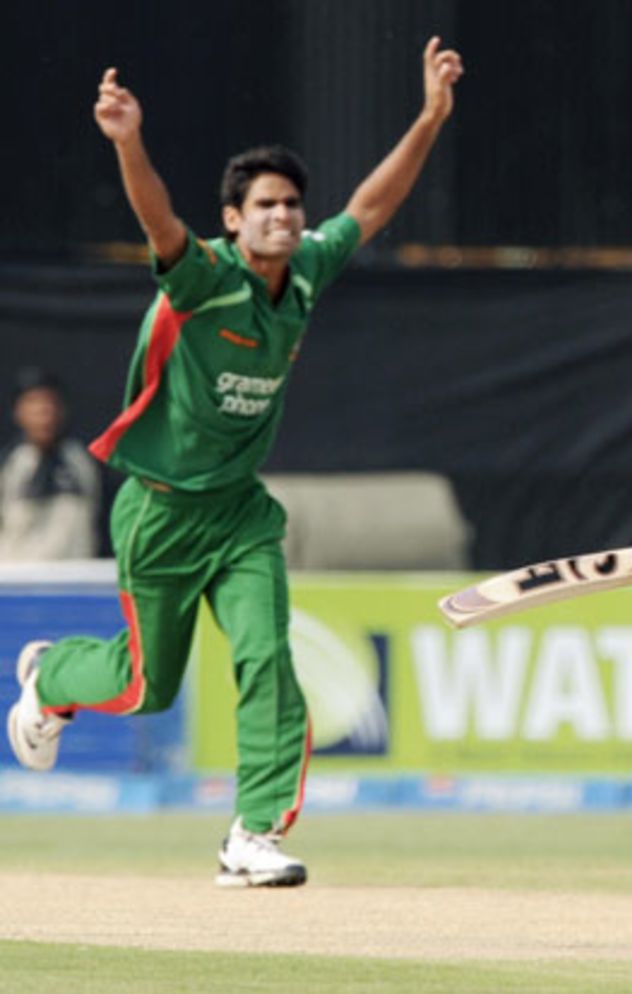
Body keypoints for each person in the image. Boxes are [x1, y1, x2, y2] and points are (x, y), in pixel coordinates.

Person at [6, 38, 463, 887]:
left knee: (267, 661)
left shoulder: (308, 270)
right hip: (161, 510)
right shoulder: (202, 280)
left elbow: (370, 205)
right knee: (145, 686)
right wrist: (128, 142)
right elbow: (157, 222)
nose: (283, 216)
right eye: (264, 205)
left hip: (241, 514)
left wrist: (431, 116)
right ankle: (51, 672)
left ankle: (253, 834)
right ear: (232, 219)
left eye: (291, 204)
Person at [0, 368, 102, 561]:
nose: (43, 411)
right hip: (16, 573)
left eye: (50, 402)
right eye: (32, 403)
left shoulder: (83, 461)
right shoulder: (9, 464)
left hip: (78, 572)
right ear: (18, 412)